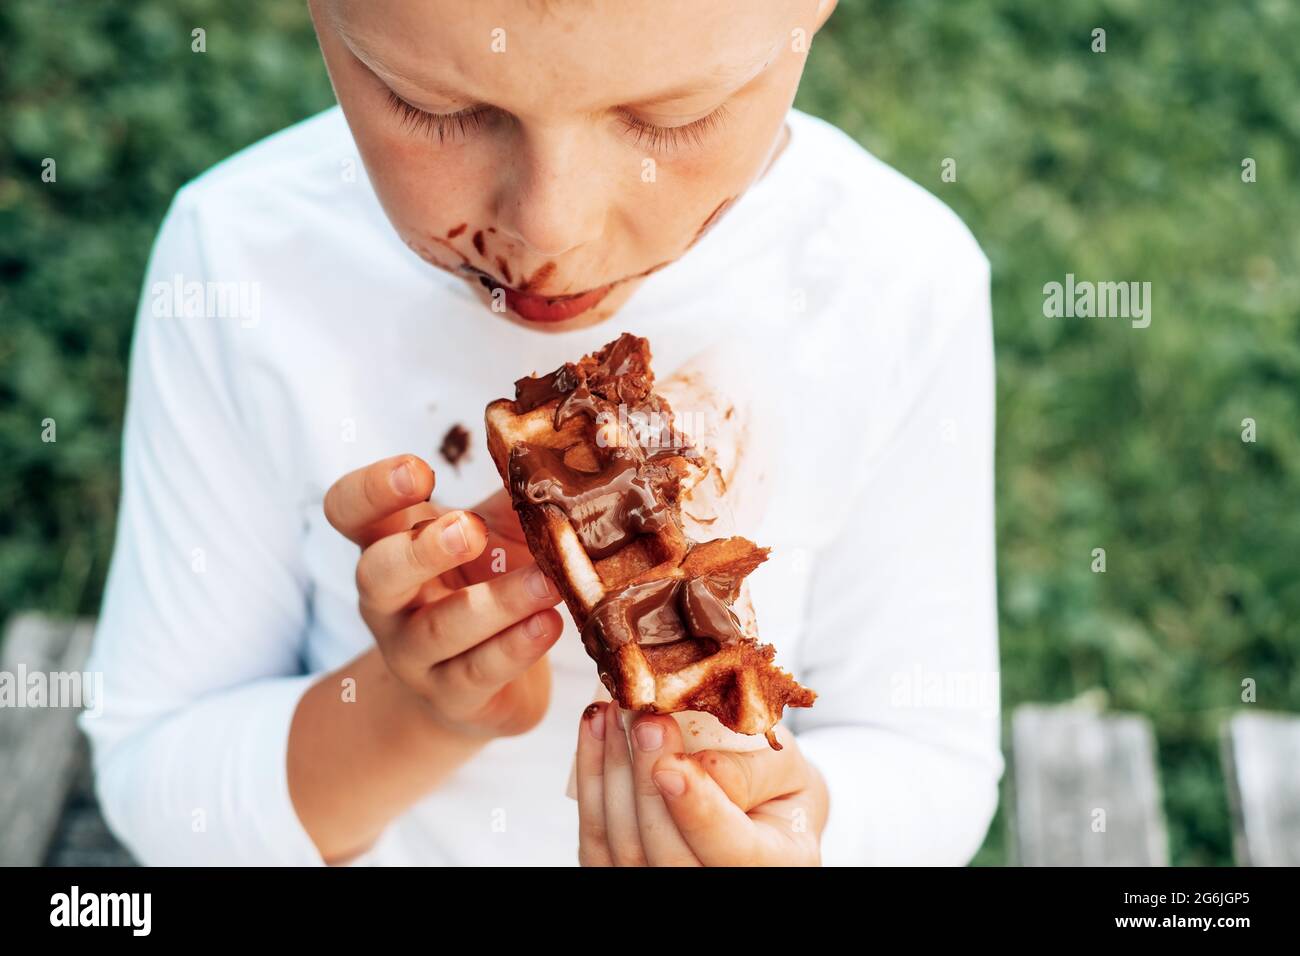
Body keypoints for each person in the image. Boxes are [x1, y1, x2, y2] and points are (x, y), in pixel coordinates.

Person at [81, 0, 1002, 866]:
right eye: (432, 105)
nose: (551, 228)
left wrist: (802, 832)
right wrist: (417, 712)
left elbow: (930, 760)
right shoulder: (240, 261)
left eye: (675, 116)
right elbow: (156, 775)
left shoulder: (899, 285)